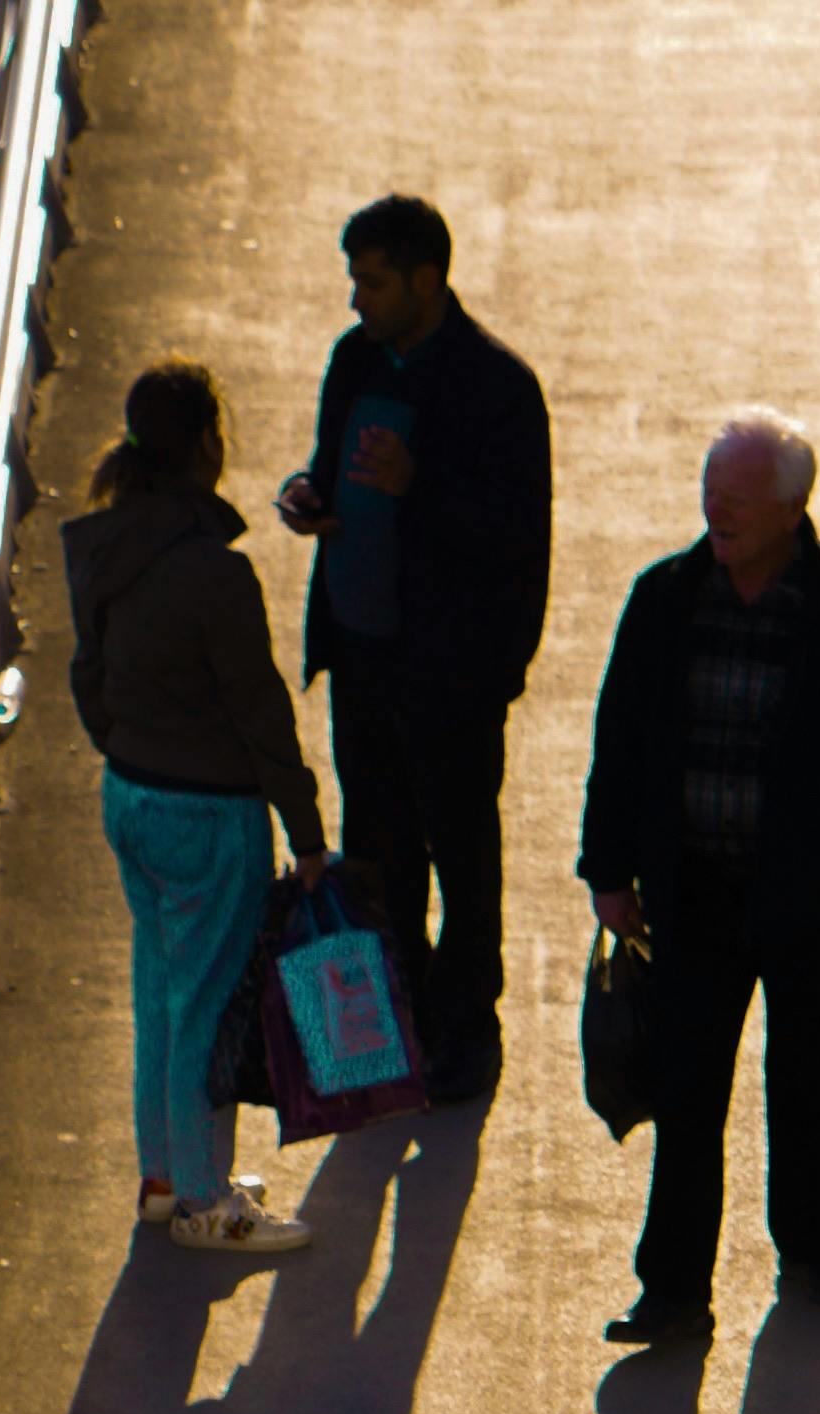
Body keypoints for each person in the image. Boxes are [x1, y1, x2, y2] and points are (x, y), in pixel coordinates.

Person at [580, 414, 820, 1346]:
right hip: (692, 893)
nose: (717, 511)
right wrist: (608, 869)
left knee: (816, 1083)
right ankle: (671, 1292)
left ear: (793, 508)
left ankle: (818, 1255)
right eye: (710, 491)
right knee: (688, 1091)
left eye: (737, 499)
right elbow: (618, 737)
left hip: (809, 904)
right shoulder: (664, 598)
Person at [277, 191, 551, 1104]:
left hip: (450, 675)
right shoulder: (354, 360)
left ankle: (465, 1032)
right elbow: (330, 462)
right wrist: (308, 496)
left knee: (462, 855)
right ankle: (391, 1032)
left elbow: (516, 534)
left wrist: (418, 483)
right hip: (362, 658)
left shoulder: (496, 388)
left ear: (428, 279)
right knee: (379, 853)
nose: (358, 300)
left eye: (374, 281)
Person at [63, 363, 327, 1259]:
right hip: (209, 814)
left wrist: (123, 742)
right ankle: (208, 1207)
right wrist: (308, 829)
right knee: (208, 1010)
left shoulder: (101, 544)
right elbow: (260, 713)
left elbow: (85, 676)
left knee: (160, 996)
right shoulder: (216, 573)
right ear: (208, 445)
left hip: (128, 795)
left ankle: (165, 1178)